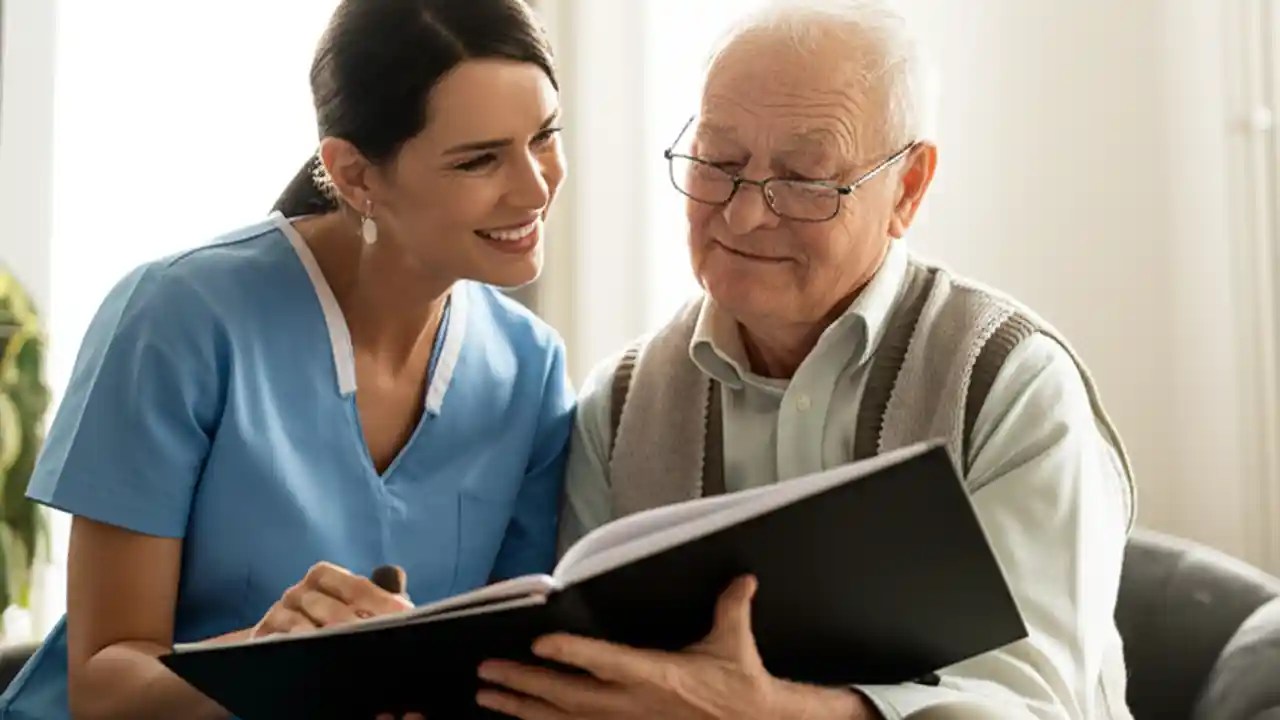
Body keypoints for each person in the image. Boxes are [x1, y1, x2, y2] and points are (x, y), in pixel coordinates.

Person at [476, 1, 1135, 719]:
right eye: (718, 163)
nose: (746, 214)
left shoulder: (1008, 383)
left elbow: (1036, 704)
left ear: (908, 188)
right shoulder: (623, 403)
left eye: (805, 178)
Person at [0, 1, 573, 718]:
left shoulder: (533, 372)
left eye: (545, 136)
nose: (535, 186)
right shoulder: (176, 319)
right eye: (480, 159)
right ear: (356, 175)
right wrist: (269, 668)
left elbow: (508, 673)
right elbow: (103, 685)